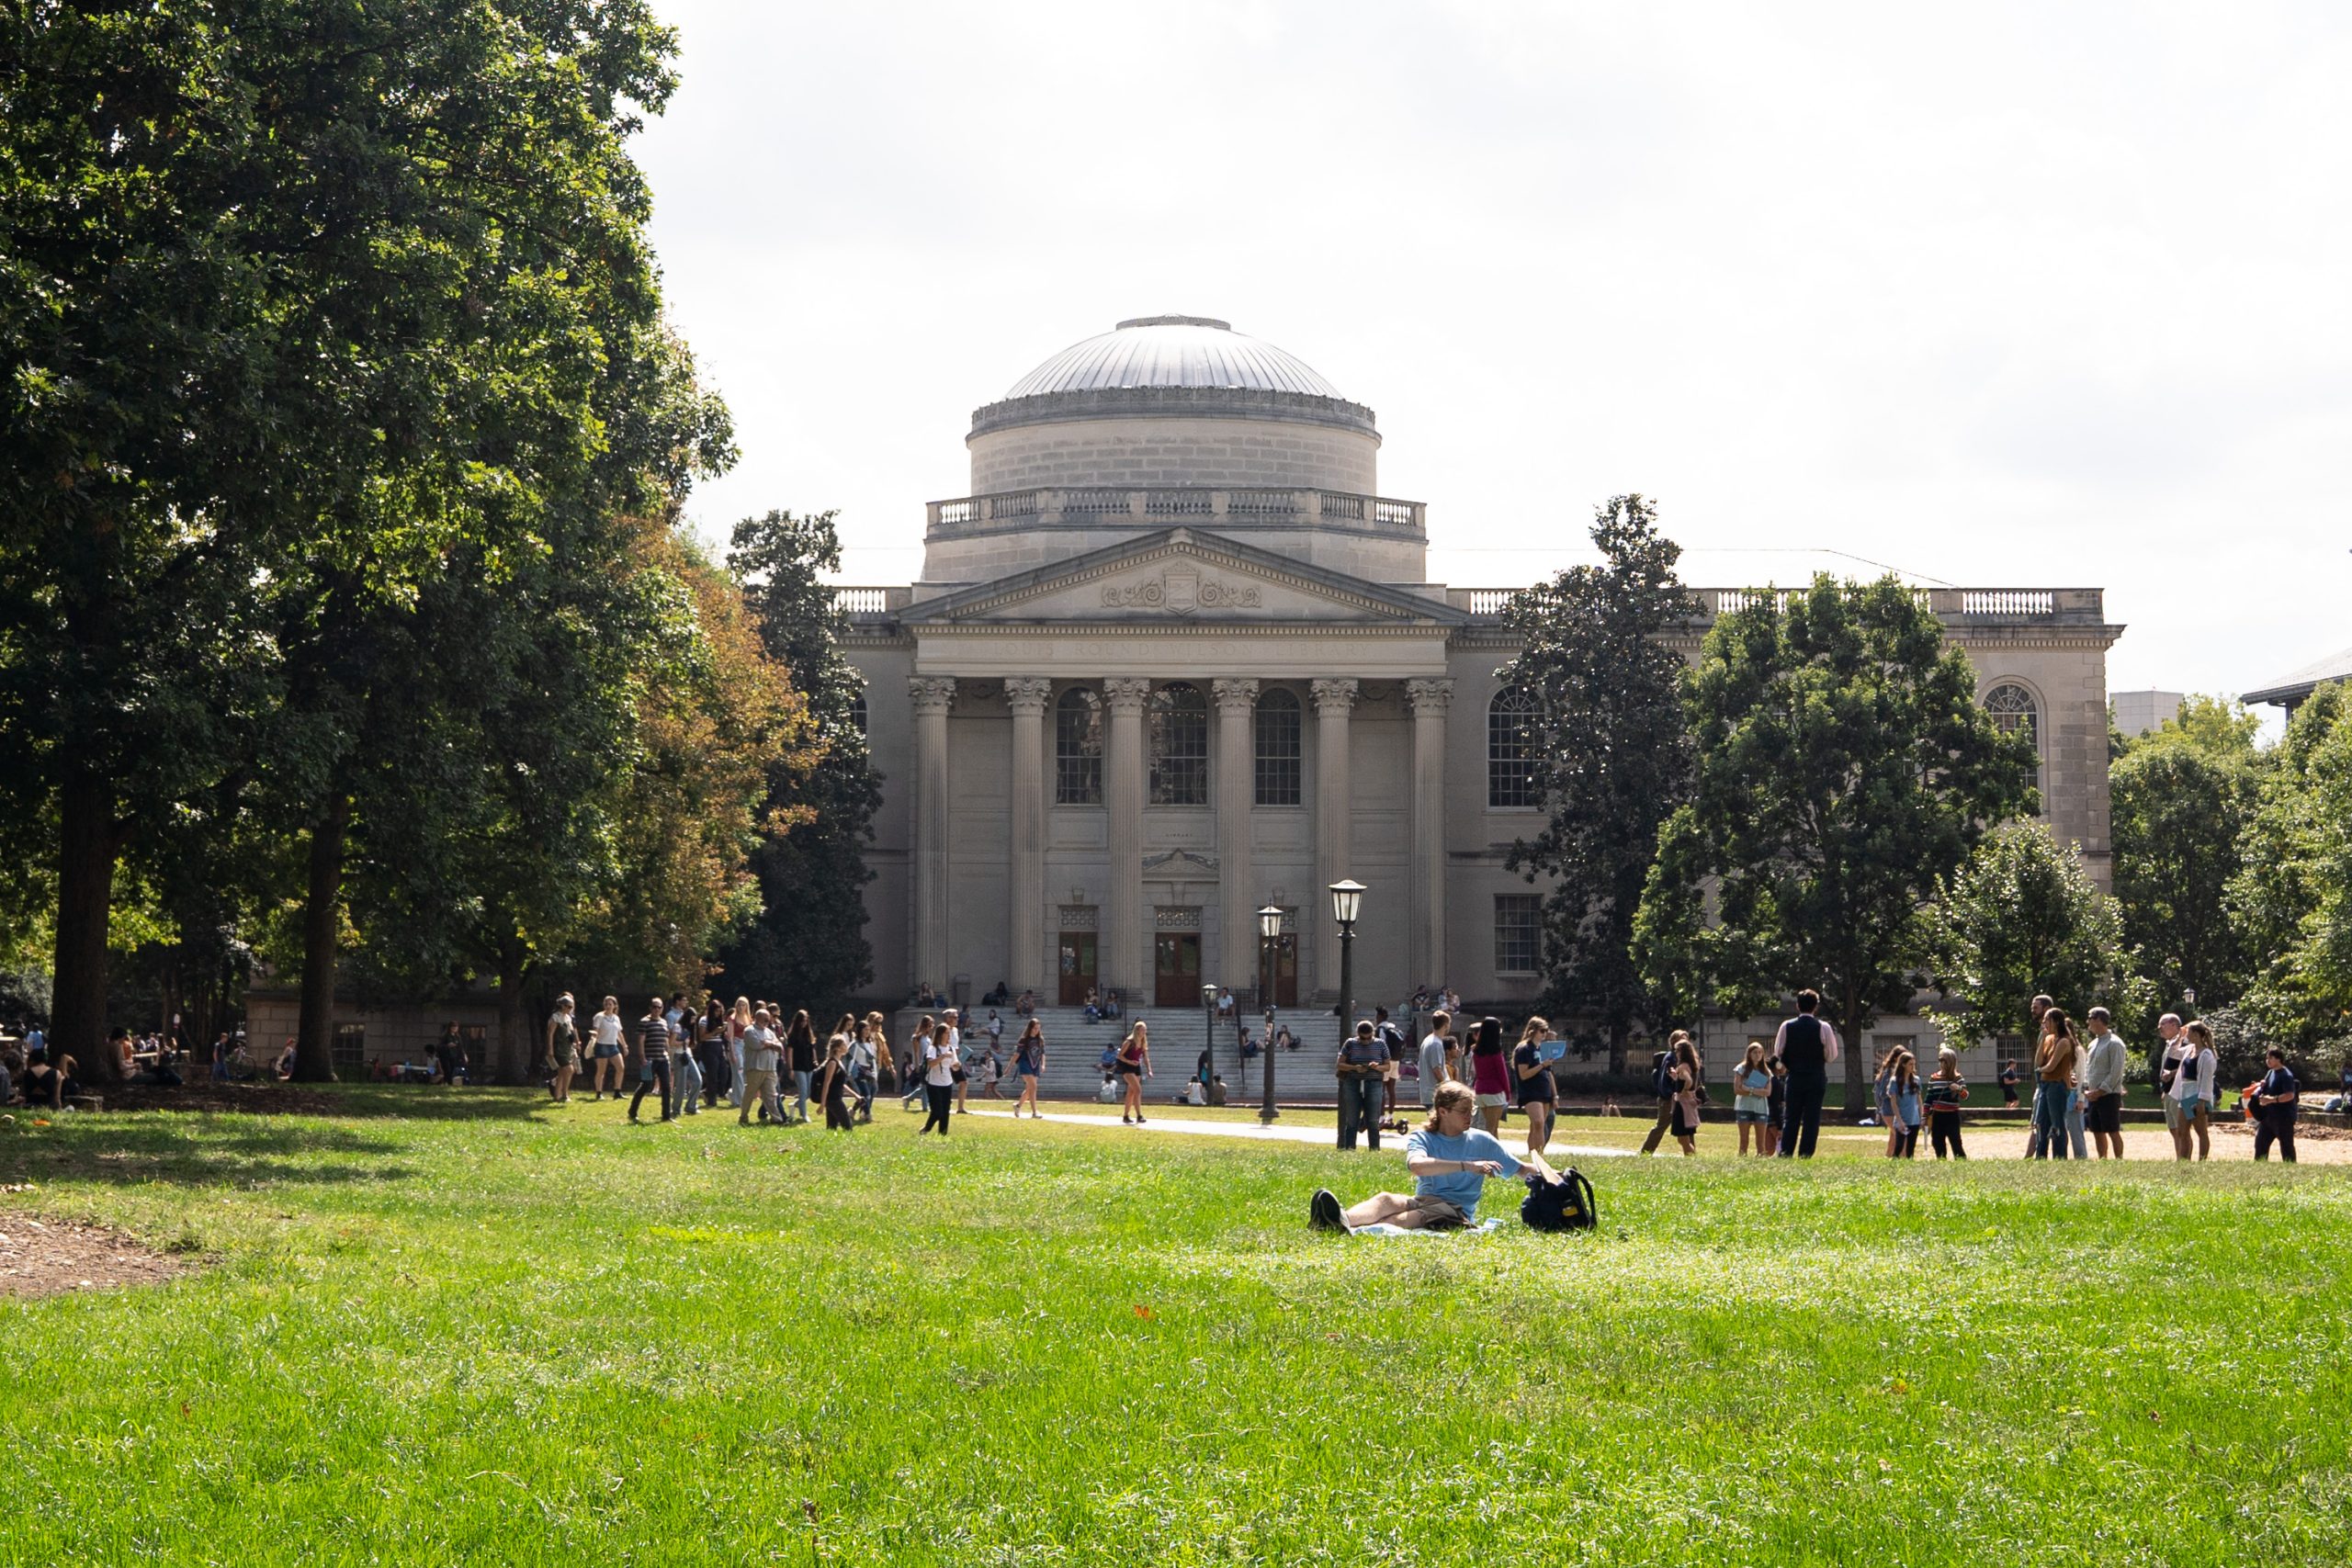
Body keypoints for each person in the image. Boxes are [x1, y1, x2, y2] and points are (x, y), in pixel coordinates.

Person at [1307, 1081, 1563, 1233]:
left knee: (1401, 1219)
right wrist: (1467, 1166)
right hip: (1425, 1200)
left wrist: (1554, 1176)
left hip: (1456, 1211)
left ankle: (1342, 1227)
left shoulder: (1482, 1140)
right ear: (1443, 1111)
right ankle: (1339, 1219)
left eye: (1471, 1110)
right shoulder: (1423, 1138)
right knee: (1386, 1199)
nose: (1470, 1116)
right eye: (1463, 1111)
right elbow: (1417, 1166)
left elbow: (1519, 1169)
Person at [1773, 990, 1842, 1158]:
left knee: (1791, 1117)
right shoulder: (1824, 1027)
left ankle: (1786, 1151)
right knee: (1812, 1117)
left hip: (1795, 1076)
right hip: (1816, 1076)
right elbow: (1831, 1055)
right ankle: (1806, 1153)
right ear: (1816, 1007)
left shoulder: (1786, 1026)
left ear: (1797, 1005)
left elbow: (1778, 1051)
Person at [2030, 1007, 2078, 1159]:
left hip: (2057, 1086)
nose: (2044, 1023)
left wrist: (2040, 1070)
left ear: (2056, 1021)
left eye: (2047, 1020)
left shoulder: (2065, 1042)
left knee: (2057, 1123)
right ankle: (2041, 1156)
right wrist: (2042, 1040)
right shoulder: (2049, 1039)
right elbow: (2038, 1062)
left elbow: (2051, 1066)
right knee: (2041, 1122)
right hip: (2045, 1085)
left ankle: (2060, 1156)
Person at [1335, 1020, 1390, 1151]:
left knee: (1373, 1120)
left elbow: (1387, 1066)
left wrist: (1377, 1067)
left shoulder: (1380, 1044)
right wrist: (1355, 1068)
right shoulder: (1350, 1043)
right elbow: (1340, 1064)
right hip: (1353, 1083)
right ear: (1357, 1034)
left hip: (1374, 1083)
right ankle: (1350, 1149)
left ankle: (1374, 1149)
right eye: (1362, 1038)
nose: (1365, 1041)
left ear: (1373, 1033)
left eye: (1369, 1038)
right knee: (1352, 1119)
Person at [2167, 1019, 2217, 1161]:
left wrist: (2202, 1100)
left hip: (2197, 1095)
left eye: (2188, 1031)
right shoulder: (2189, 1049)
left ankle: (2202, 1160)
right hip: (2185, 1094)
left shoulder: (2206, 1055)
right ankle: (2184, 1160)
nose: (2186, 1034)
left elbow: (2207, 1080)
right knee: (2182, 1131)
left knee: (2201, 1131)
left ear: (2195, 1034)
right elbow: (2173, 1053)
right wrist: (2179, 1038)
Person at [2080, 1007, 2127, 1159]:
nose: (2088, 1022)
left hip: (2109, 1095)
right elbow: (2088, 1069)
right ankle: (2103, 1159)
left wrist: (2101, 1091)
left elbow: (2116, 1072)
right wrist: (2086, 1089)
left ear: (2099, 1020)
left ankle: (2119, 1159)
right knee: (2097, 1130)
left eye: (2090, 1018)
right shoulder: (2093, 1044)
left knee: (2112, 1130)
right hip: (2093, 1095)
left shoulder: (2115, 1043)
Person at [1511, 1016, 1556, 1158]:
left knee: (1536, 1126)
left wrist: (1555, 1095)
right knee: (1538, 1123)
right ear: (1533, 1031)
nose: (1544, 1034)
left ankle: (1532, 1155)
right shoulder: (1524, 1049)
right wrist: (1542, 1065)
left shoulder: (1542, 1049)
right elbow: (1523, 1074)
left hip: (1544, 1090)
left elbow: (1549, 1073)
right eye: (1542, 1031)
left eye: (1546, 1031)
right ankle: (1539, 1156)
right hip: (1530, 1091)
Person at [628, 999, 674, 1123]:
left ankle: (666, 1115)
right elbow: (641, 1041)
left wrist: (669, 1056)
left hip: (663, 1059)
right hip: (649, 1060)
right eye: (654, 1007)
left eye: (659, 1007)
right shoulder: (644, 1022)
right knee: (646, 1085)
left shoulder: (664, 1022)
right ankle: (632, 1111)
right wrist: (642, 1058)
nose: (657, 1009)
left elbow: (666, 1041)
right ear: (650, 1008)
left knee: (666, 1087)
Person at [2251, 1047, 2299, 1163]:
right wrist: (2262, 1086)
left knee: (2287, 1148)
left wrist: (2272, 1100)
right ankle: (2259, 1168)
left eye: (2271, 1058)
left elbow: (2290, 1095)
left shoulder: (2286, 1075)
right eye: (2266, 1058)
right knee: (2260, 1145)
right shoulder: (2270, 1072)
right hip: (2268, 1117)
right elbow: (2268, 1088)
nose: (2268, 1061)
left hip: (2283, 1118)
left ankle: (2290, 1169)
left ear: (2278, 1059)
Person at [1467, 1017, 1510, 1137]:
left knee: (1491, 1128)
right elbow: (1502, 1075)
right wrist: (1508, 1093)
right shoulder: (1496, 1053)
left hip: (1480, 1090)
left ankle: (1496, 1149)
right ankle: (1487, 1149)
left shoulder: (1476, 1052)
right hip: (1494, 1091)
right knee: (1491, 1129)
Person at [1924, 1047, 1969, 1158]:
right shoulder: (1934, 1078)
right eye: (1940, 1060)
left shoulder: (1957, 1078)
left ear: (1951, 1062)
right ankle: (1941, 1160)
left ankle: (1960, 1160)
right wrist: (1925, 1115)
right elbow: (1929, 1098)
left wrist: (1958, 1088)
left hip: (1952, 1115)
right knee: (1937, 1141)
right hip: (1937, 1115)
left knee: (1955, 1141)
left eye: (1944, 1061)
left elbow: (1966, 1096)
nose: (1941, 1063)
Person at [918, 1019, 957, 1135]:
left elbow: (954, 1065)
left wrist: (957, 1065)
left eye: (949, 1033)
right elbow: (931, 1063)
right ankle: (926, 1129)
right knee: (937, 1111)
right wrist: (943, 1056)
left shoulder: (951, 1048)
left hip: (947, 1082)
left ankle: (942, 1134)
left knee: (945, 1111)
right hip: (934, 1083)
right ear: (940, 1035)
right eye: (946, 1033)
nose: (948, 1036)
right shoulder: (933, 1048)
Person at [1733, 1042, 1772, 1156]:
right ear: (1749, 1054)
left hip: (1761, 1108)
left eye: (1760, 1052)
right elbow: (1737, 1089)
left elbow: (1767, 1092)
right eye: (1755, 1052)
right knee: (1744, 1141)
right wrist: (1757, 1091)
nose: (1757, 1055)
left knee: (1761, 1144)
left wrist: (1750, 1090)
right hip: (1744, 1107)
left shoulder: (1766, 1071)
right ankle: (1742, 1160)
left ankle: (1760, 1160)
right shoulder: (1741, 1068)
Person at [1668, 1036, 1702, 1156]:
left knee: (1683, 1138)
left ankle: (1692, 1159)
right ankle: (1691, 1157)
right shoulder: (1691, 1065)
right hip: (1689, 1103)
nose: (1676, 1053)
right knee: (1683, 1138)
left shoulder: (1683, 1066)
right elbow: (1684, 1079)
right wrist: (1675, 1077)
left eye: (1677, 1050)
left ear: (1682, 1052)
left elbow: (1688, 1080)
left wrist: (1684, 1091)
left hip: (1682, 1105)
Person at [780, 1010, 817, 1126]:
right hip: (798, 1066)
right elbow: (790, 1052)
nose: (804, 1023)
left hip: (809, 1066)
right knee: (803, 1090)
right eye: (802, 1021)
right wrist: (790, 1069)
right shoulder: (793, 1036)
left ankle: (794, 1105)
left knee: (809, 1093)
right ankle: (804, 1114)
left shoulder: (809, 1034)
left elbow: (813, 1049)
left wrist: (815, 1061)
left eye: (806, 1021)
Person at [544, 995, 582, 1103]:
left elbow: (570, 1032)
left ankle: (557, 1095)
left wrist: (575, 1043)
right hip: (558, 1048)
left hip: (567, 1047)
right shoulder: (555, 1017)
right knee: (569, 1069)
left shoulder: (568, 1018)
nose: (570, 1009)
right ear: (562, 1006)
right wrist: (550, 1049)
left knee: (561, 1071)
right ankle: (565, 1094)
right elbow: (550, 1034)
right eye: (568, 1007)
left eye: (571, 1007)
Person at [588, 996, 627, 1100]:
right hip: (602, 1045)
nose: (608, 1006)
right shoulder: (599, 1016)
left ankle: (617, 1091)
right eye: (606, 1004)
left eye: (610, 1004)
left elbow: (619, 1033)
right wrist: (593, 1039)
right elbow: (595, 1030)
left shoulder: (616, 1018)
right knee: (601, 1071)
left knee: (621, 1068)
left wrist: (624, 1046)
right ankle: (599, 1093)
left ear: (614, 1006)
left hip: (613, 1046)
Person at [817, 1034, 856, 1132]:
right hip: (833, 1099)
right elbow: (826, 1083)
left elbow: (839, 1083)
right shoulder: (832, 1063)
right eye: (844, 1044)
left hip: (835, 1097)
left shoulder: (839, 1062)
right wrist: (822, 1104)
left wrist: (855, 1095)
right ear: (837, 1048)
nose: (846, 1046)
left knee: (831, 1128)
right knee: (848, 1127)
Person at [1115, 1021, 1152, 1124]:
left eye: (1145, 1030)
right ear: (1137, 1030)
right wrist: (1129, 1061)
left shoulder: (1143, 1041)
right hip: (1127, 1067)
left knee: (1131, 1092)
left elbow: (1146, 1058)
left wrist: (1149, 1070)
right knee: (1138, 1090)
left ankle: (1126, 1116)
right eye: (1142, 1030)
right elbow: (1119, 1056)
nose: (1144, 1032)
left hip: (1136, 1067)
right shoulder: (1129, 1042)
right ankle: (1139, 1115)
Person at [1887, 1050, 1922, 1158]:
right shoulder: (1895, 1081)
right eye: (1910, 1064)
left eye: (1914, 1064)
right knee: (1899, 1147)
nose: (1913, 1066)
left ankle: (1909, 1165)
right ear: (1903, 1064)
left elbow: (1919, 1100)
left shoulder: (1916, 1080)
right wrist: (1900, 1121)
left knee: (1911, 1148)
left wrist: (1922, 1117)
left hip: (1914, 1119)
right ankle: (1894, 1164)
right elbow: (1893, 1103)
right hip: (1901, 1119)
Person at [21, 1045, 78, 1110]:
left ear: (32, 1059)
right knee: (71, 1108)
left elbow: (23, 1094)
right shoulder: (57, 1073)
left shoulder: (26, 1073)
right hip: (48, 1107)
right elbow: (57, 1099)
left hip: (30, 1107)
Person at [1418, 1010, 1452, 1111]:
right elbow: (1437, 1069)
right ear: (1445, 1025)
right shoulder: (1436, 1044)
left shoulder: (1427, 1040)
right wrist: (1447, 1088)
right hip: (1435, 1093)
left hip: (1429, 1093)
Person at [1012, 1019, 1046, 1118]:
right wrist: (1010, 1066)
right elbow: (1017, 1054)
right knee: (1034, 1086)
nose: (1036, 1030)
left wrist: (1043, 1064)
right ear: (1030, 1028)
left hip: (1035, 1064)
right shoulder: (1024, 1040)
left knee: (1029, 1089)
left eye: (1038, 1029)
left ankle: (1018, 1106)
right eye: (1035, 1028)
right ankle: (1034, 1112)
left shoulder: (1040, 1040)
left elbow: (1043, 1053)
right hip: (1025, 1063)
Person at [1764, 1055, 1786, 1157]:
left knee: (1768, 1150)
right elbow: (1776, 1105)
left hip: (1767, 1118)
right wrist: (1780, 1125)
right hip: (1774, 1119)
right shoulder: (1776, 1083)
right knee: (1782, 1147)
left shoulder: (1770, 1080)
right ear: (1778, 1065)